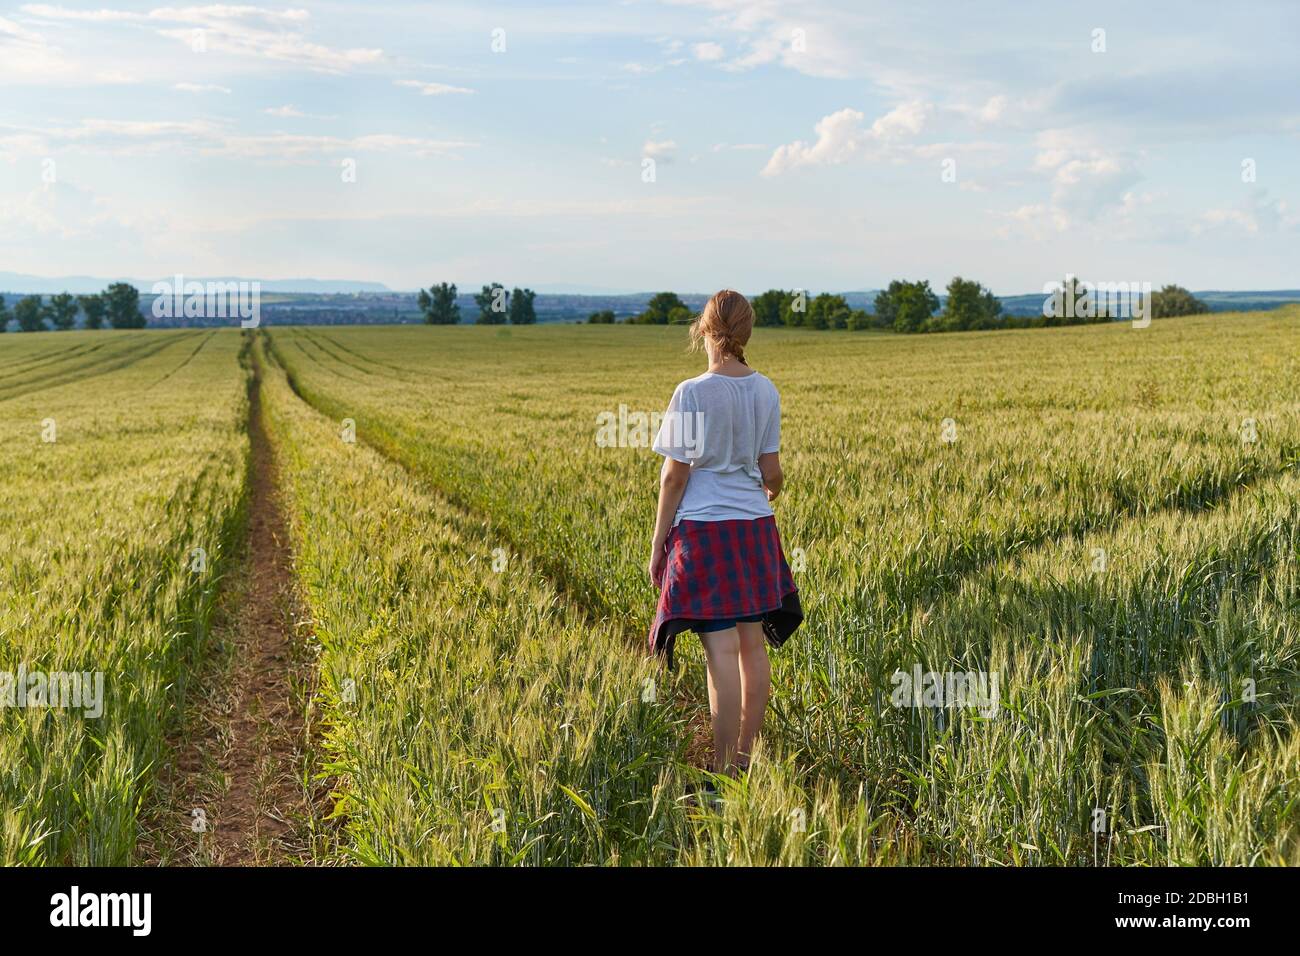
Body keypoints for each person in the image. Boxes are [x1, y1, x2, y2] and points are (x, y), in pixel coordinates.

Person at [647, 289, 803, 777]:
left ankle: (720, 772)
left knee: (720, 653)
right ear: (745, 333)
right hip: (754, 528)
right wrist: (767, 492)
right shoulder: (766, 389)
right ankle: (744, 759)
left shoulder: (692, 391)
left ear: (704, 330)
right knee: (751, 646)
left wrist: (658, 543)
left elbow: (675, 476)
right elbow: (772, 471)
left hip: (704, 531)